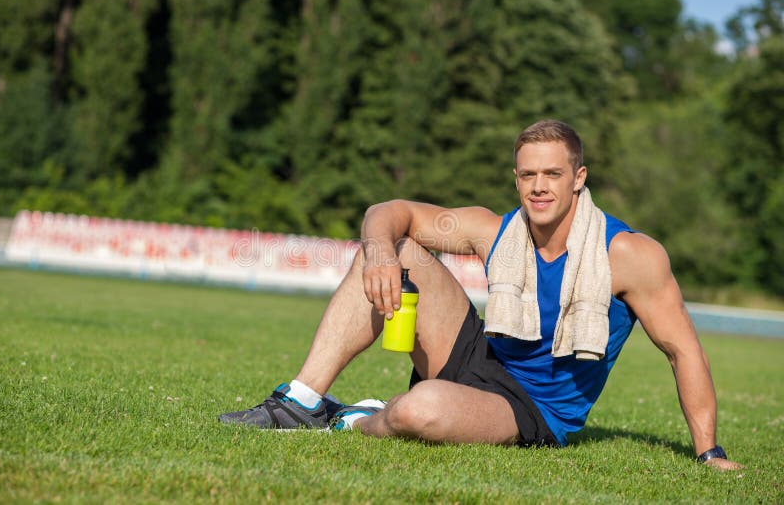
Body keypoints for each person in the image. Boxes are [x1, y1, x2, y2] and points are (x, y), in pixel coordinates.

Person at [219, 119, 742, 470]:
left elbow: (683, 350)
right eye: (528, 174)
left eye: (553, 174)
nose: (539, 186)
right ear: (516, 179)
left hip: (533, 407)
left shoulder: (628, 254)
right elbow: (391, 211)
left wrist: (708, 453)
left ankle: (354, 418)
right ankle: (301, 402)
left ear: (579, 178)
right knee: (394, 247)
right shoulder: (495, 230)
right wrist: (378, 253)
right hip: (478, 354)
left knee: (417, 412)